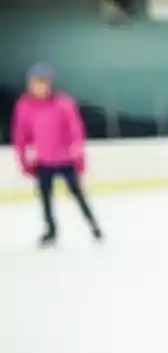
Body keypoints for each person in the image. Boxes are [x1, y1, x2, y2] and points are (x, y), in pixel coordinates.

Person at [11, 63, 102, 248]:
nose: (38, 87)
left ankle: (93, 224)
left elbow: (76, 129)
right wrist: (23, 160)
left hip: (65, 159)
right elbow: (21, 134)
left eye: (42, 82)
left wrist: (79, 154)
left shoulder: (63, 103)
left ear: (50, 84)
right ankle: (51, 231)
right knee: (45, 197)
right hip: (43, 160)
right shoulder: (24, 106)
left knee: (77, 194)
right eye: (35, 83)